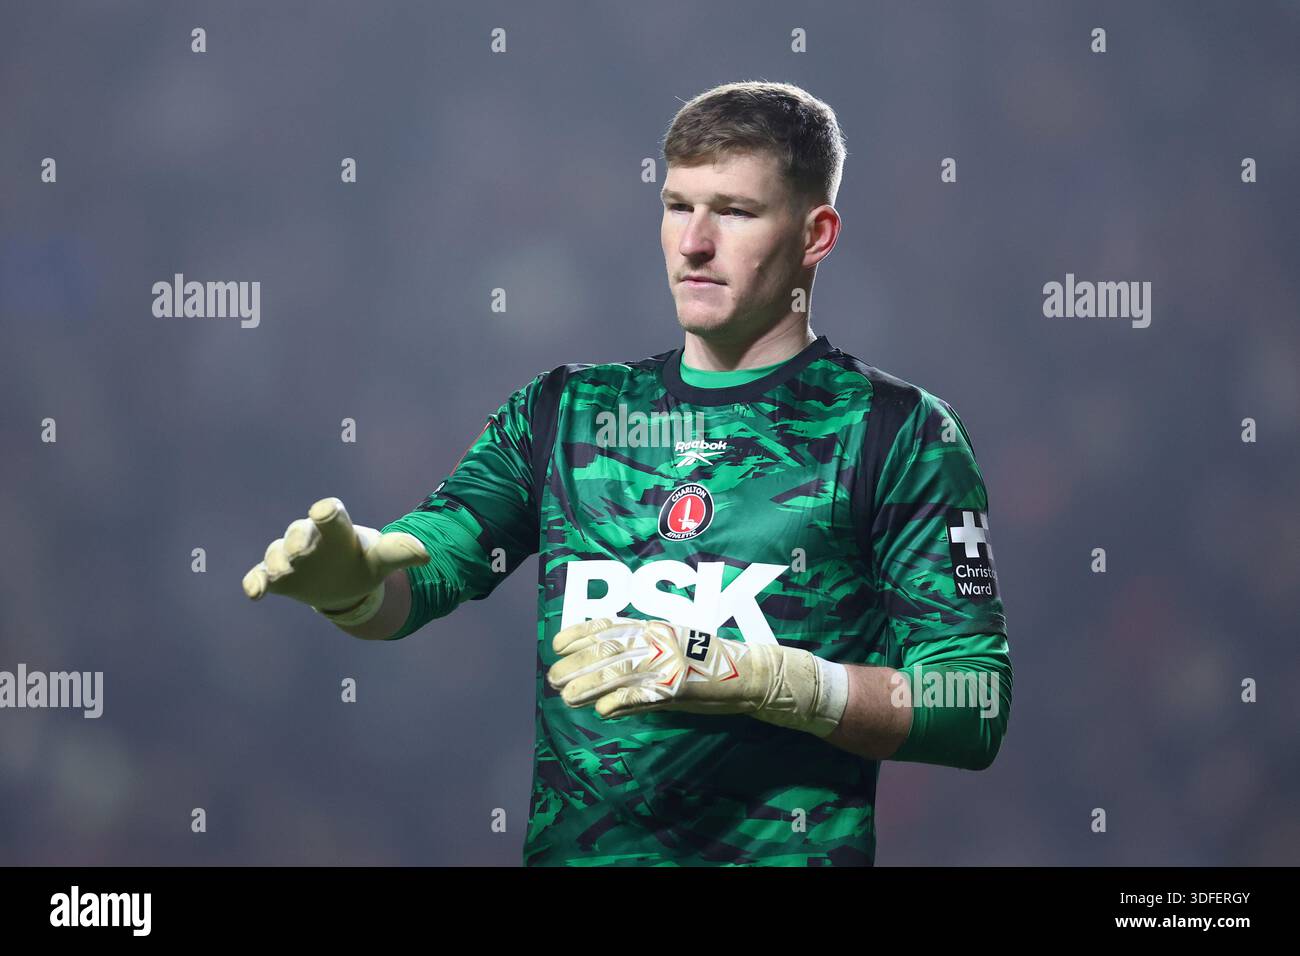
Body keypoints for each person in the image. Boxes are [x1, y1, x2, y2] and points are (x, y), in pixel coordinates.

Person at [243, 80, 1012, 866]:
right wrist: (352, 582)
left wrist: (772, 678)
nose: (693, 243)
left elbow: (973, 705)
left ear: (816, 234)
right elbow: (424, 574)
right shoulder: (567, 410)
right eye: (678, 206)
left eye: (735, 212)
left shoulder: (899, 433)